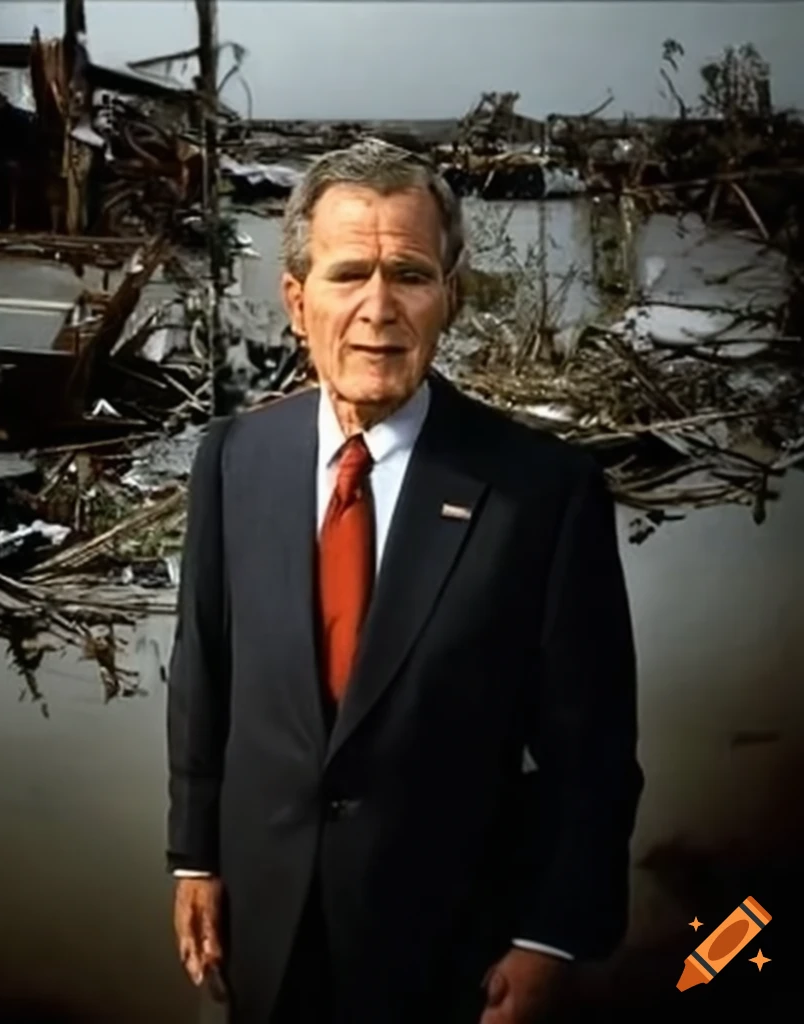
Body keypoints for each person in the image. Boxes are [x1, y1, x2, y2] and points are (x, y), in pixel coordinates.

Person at [166, 141, 643, 1024]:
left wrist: (549, 937)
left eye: (410, 275)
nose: (377, 310)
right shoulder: (233, 459)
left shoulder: (542, 492)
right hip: (257, 927)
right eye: (349, 274)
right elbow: (203, 677)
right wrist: (193, 860)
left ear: (451, 297)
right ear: (296, 298)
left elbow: (596, 759)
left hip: (447, 944)